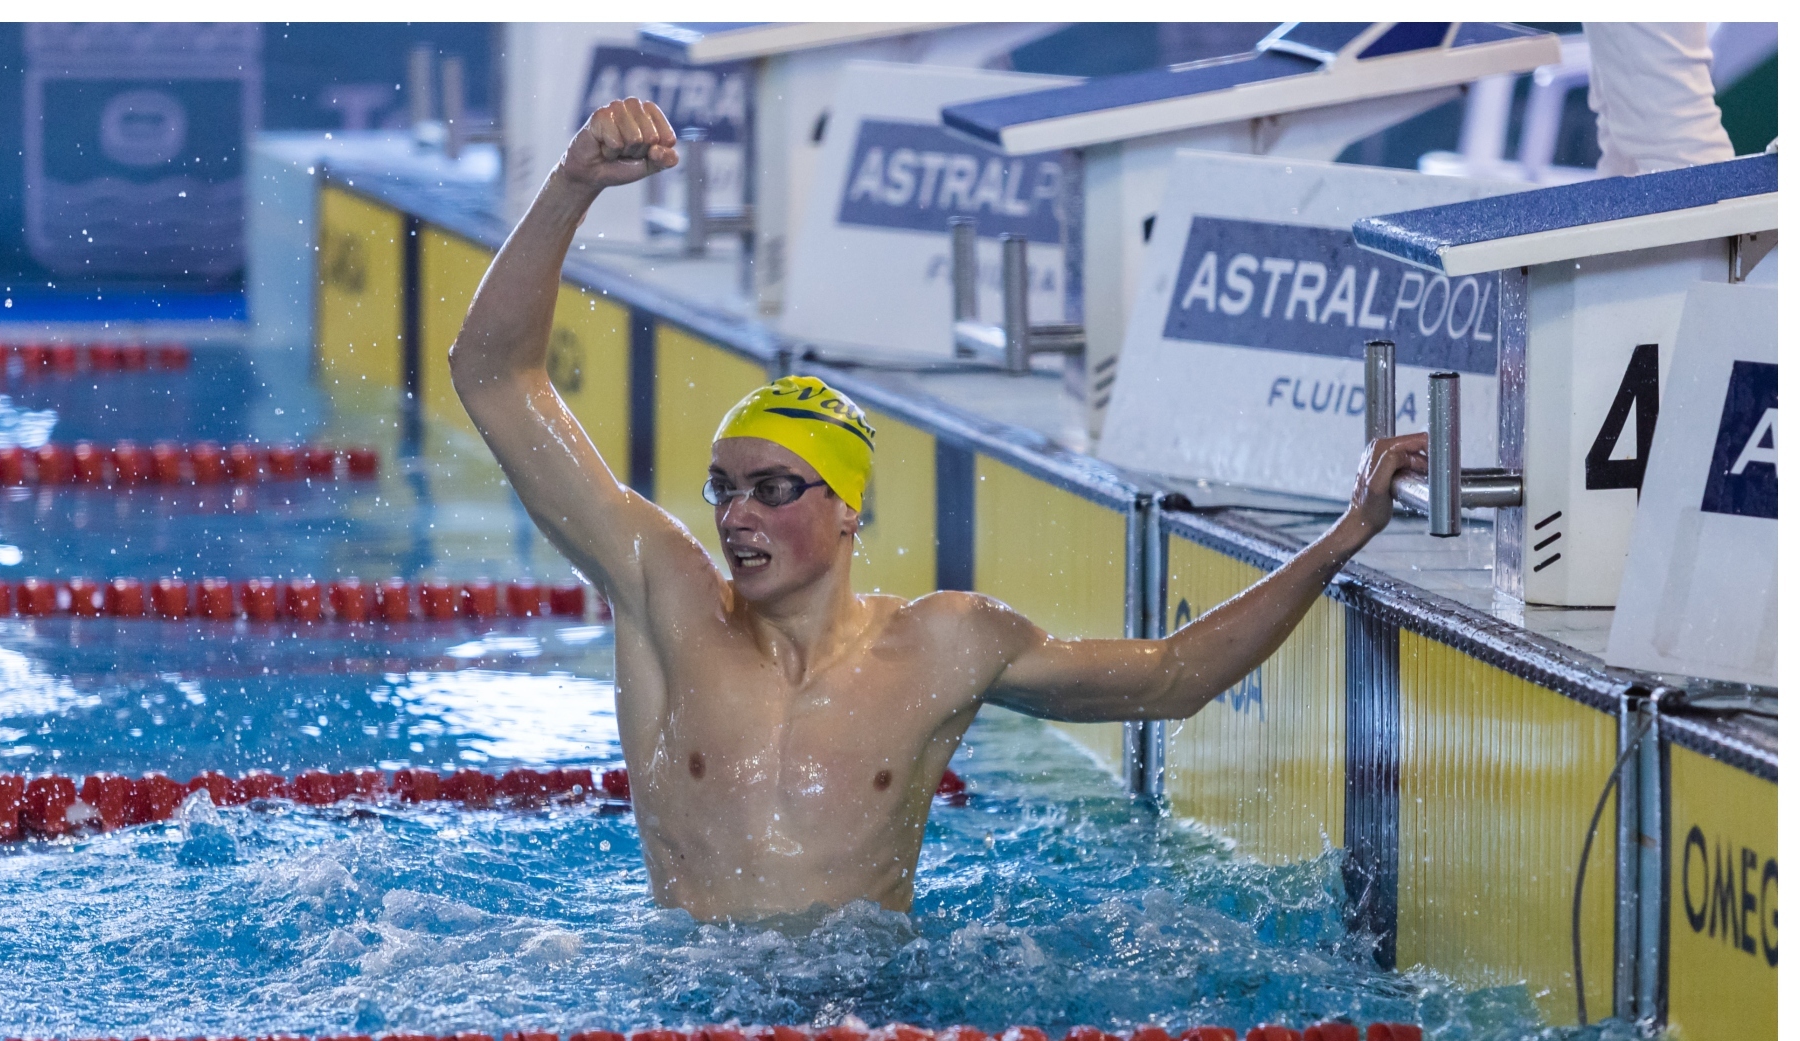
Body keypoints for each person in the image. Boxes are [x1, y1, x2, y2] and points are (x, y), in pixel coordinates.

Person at [448, 98, 1427, 923]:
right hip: (689, 1013)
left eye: (774, 489)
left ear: (847, 513)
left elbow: (1170, 679)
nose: (737, 515)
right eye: (723, 488)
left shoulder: (944, 648)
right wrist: (571, 183)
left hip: (871, 1017)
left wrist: (1343, 536)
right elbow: (494, 377)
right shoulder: (662, 594)